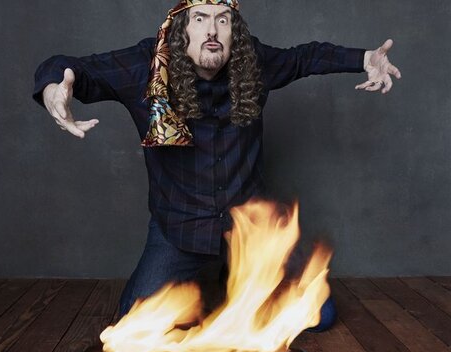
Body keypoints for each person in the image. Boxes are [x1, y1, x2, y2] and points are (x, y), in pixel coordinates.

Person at [33, 0, 401, 329]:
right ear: (182, 26)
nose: (211, 30)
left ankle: (238, 274)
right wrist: (54, 89)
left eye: (222, 20)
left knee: (321, 316)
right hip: (180, 229)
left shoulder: (252, 61)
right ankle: (216, 280)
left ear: (233, 31)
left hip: (252, 225)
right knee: (136, 323)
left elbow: (305, 57)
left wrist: (364, 59)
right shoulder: (147, 64)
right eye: (200, 18)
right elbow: (72, 68)